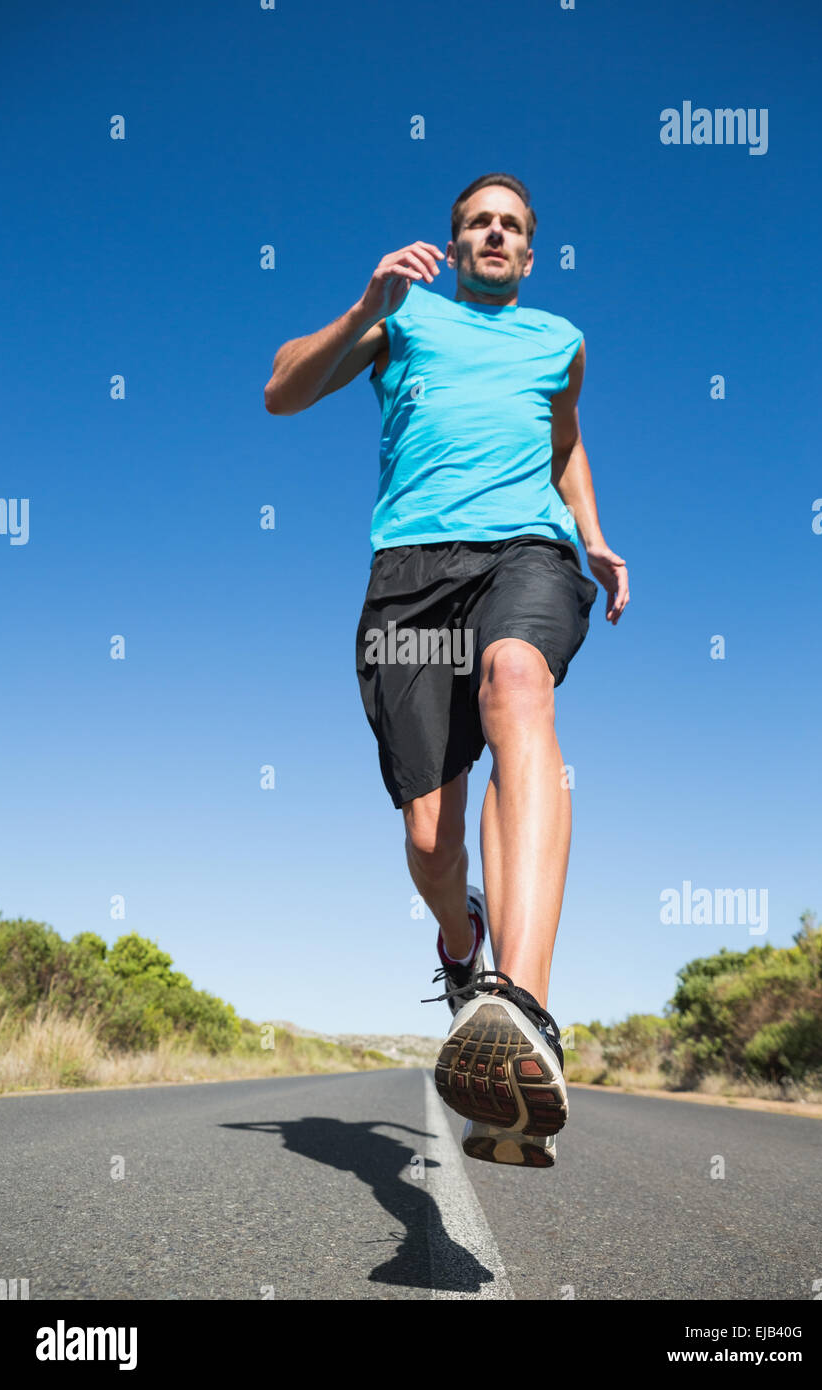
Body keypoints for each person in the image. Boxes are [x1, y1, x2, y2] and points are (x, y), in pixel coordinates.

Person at [264, 172, 629, 1166]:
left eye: (512, 224)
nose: (495, 234)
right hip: (410, 575)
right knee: (432, 835)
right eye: (478, 222)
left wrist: (591, 537)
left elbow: (563, 446)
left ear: (530, 247)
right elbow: (280, 392)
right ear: (455, 241)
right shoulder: (405, 317)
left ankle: (524, 1007)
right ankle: (460, 945)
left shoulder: (561, 341)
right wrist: (364, 306)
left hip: (529, 556)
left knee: (519, 678)